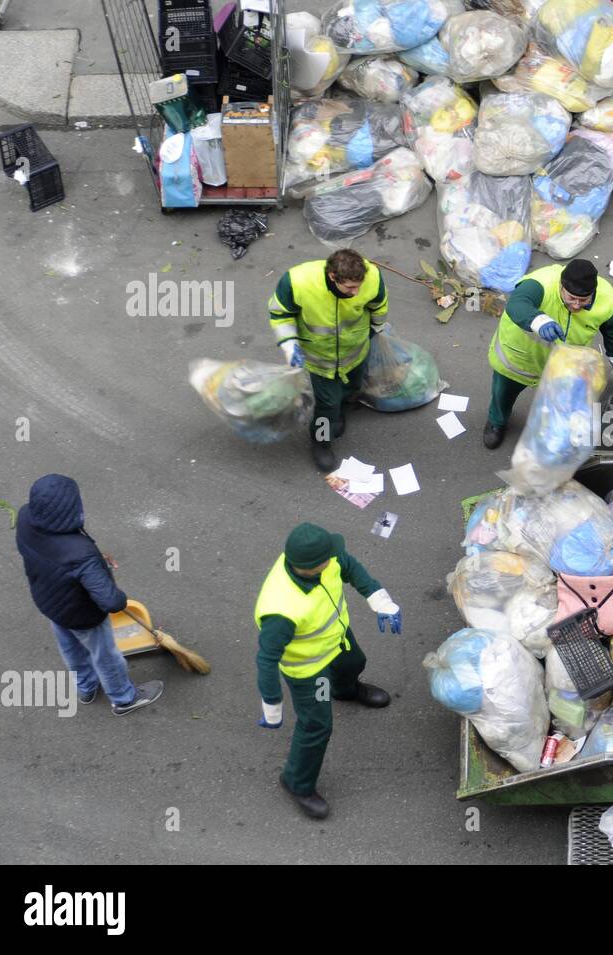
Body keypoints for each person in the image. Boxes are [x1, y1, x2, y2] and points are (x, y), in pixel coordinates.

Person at [254, 523, 402, 819]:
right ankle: (296, 782)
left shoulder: (327, 560)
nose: (336, 556)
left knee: (353, 663)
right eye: (329, 555)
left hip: (336, 638)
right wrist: (272, 704)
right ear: (309, 566)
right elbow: (266, 660)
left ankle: (345, 690)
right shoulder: (281, 609)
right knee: (317, 726)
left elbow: (349, 566)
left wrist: (379, 599)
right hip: (311, 668)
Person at [15, 474, 164, 716]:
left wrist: (94, 563)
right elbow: (111, 601)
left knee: (70, 649)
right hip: (83, 615)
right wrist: (100, 571)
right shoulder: (81, 552)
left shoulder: (24, 518)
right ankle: (124, 698)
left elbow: (54, 558)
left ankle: (86, 687)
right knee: (106, 656)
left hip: (50, 603)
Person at [484, 258, 613, 449]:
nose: (576, 305)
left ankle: (553, 433)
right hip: (520, 359)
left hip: (564, 364)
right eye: (571, 298)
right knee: (503, 393)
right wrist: (539, 321)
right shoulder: (541, 283)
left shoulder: (607, 298)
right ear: (561, 286)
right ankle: (497, 422)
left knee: (562, 403)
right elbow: (517, 303)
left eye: (584, 300)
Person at [268, 249, 389, 472]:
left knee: (352, 387)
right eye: (350, 288)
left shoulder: (371, 276)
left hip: (356, 353)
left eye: (359, 286)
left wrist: (376, 329)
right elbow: (280, 314)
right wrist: (289, 346)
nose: (356, 292)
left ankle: (340, 410)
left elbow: (378, 307)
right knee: (327, 406)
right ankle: (321, 441)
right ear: (333, 276)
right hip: (321, 361)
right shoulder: (297, 283)